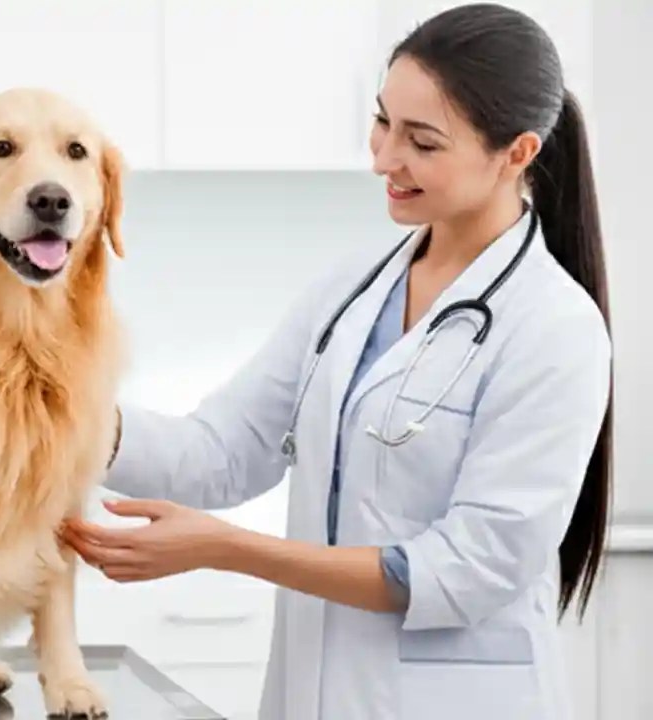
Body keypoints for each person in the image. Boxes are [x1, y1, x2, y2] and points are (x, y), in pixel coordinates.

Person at [59, 4, 613, 720]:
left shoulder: (555, 328)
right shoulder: (353, 291)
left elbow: (470, 567)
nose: (384, 158)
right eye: (383, 122)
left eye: (423, 142)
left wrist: (228, 549)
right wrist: (59, 417)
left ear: (517, 153)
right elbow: (226, 449)